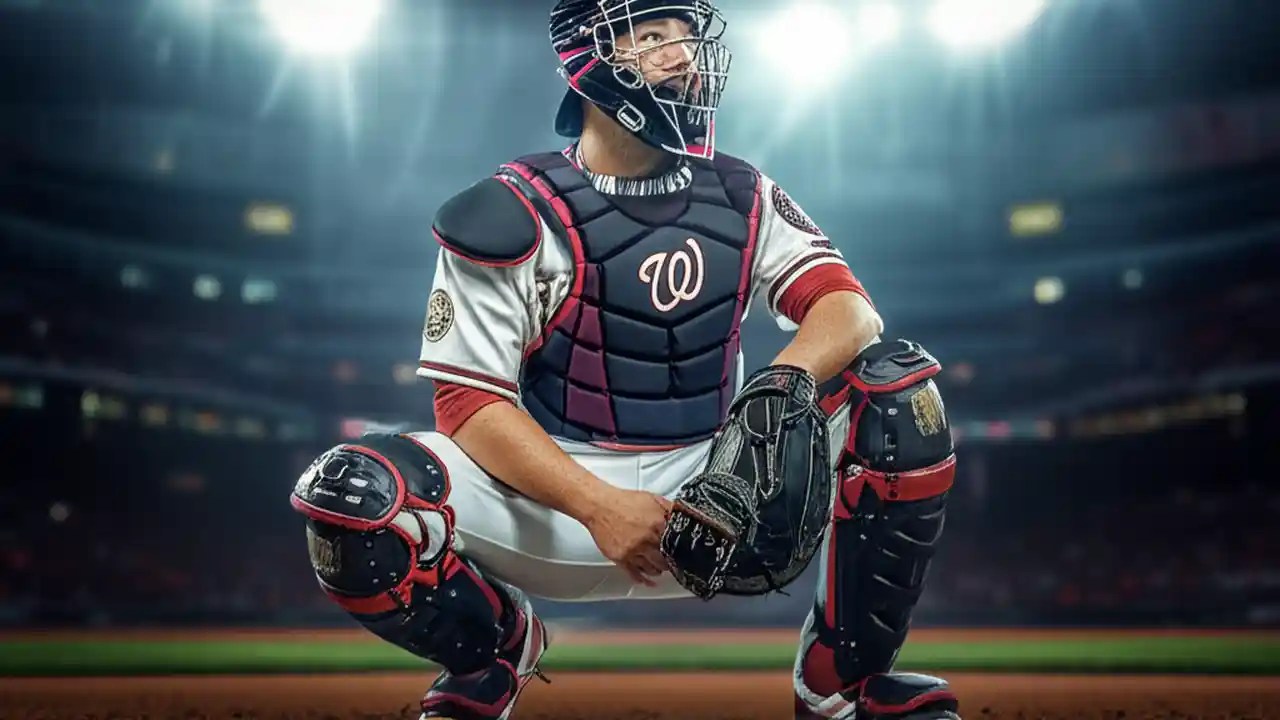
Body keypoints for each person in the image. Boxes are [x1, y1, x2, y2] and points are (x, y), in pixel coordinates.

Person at [289, 2, 960, 719]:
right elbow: (466, 407)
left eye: (687, 35)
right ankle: (492, 653)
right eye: (651, 36)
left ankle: (838, 687)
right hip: (553, 508)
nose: (683, 54)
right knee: (350, 498)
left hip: (718, 494)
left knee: (902, 400)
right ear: (589, 59)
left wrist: (783, 377)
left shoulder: (744, 193)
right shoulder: (515, 210)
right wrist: (600, 507)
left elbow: (849, 311)